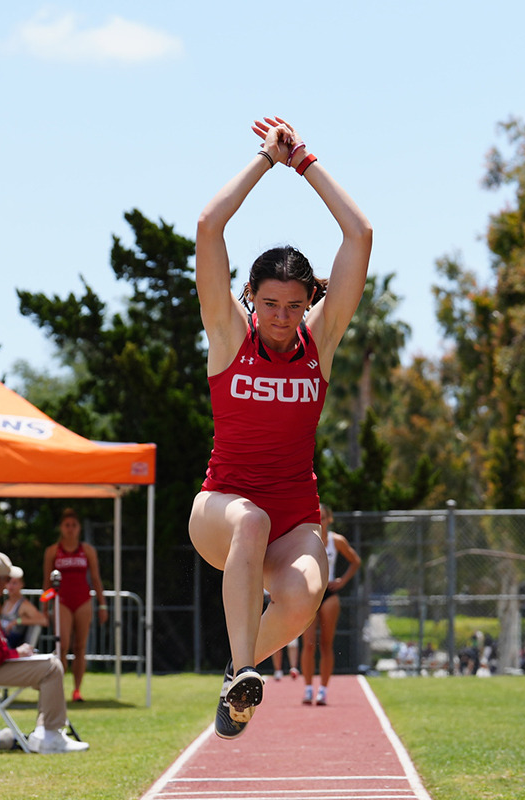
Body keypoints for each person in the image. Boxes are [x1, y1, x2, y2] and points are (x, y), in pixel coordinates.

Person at [189, 116, 373, 738]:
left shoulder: (319, 340)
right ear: (249, 296)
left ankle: (235, 682)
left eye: (295, 305)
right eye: (270, 303)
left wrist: (307, 162)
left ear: (309, 304)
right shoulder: (227, 334)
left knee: (303, 593)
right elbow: (210, 227)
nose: (282, 317)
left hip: (296, 509)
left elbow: (360, 232)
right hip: (222, 508)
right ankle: (245, 666)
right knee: (252, 520)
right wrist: (267, 161)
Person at [0, 551, 87, 754]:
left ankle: (45, 733)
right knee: (51, 667)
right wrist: (16, 654)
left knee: (50, 665)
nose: (7, 585)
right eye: (6, 580)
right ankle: (49, 735)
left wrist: (15, 654)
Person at [41, 508, 108, 702]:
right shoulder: (53, 551)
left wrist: (102, 606)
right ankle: (59, 688)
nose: (70, 529)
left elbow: (96, 578)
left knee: (80, 646)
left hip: (83, 600)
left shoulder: (87, 550)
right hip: (61, 600)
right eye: (67, 525)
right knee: (62, 646)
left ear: (78, 528)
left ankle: (77, 690)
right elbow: (47, 580)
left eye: (74, 525)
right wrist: (45, 608)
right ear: (61, 528)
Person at [301, 504, 360, 705]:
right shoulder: (305, 540)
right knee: (308, 644)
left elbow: (355, 561)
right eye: (317, 518)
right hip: (309, 594)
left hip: (329, 593)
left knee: (326, 644)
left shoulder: (337, 541)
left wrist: (342, 581)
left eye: (323, 518)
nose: (320, 522)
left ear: (330, 519)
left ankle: (323, 690)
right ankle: (308, 689)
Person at [0, 565, 47, 649]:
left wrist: (17, 621)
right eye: (8, 582)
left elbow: (44, 620)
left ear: (21, 584)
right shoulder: (7, 602)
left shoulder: (24, 605)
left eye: (14, 583)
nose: (10, 586)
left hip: (11, 644)